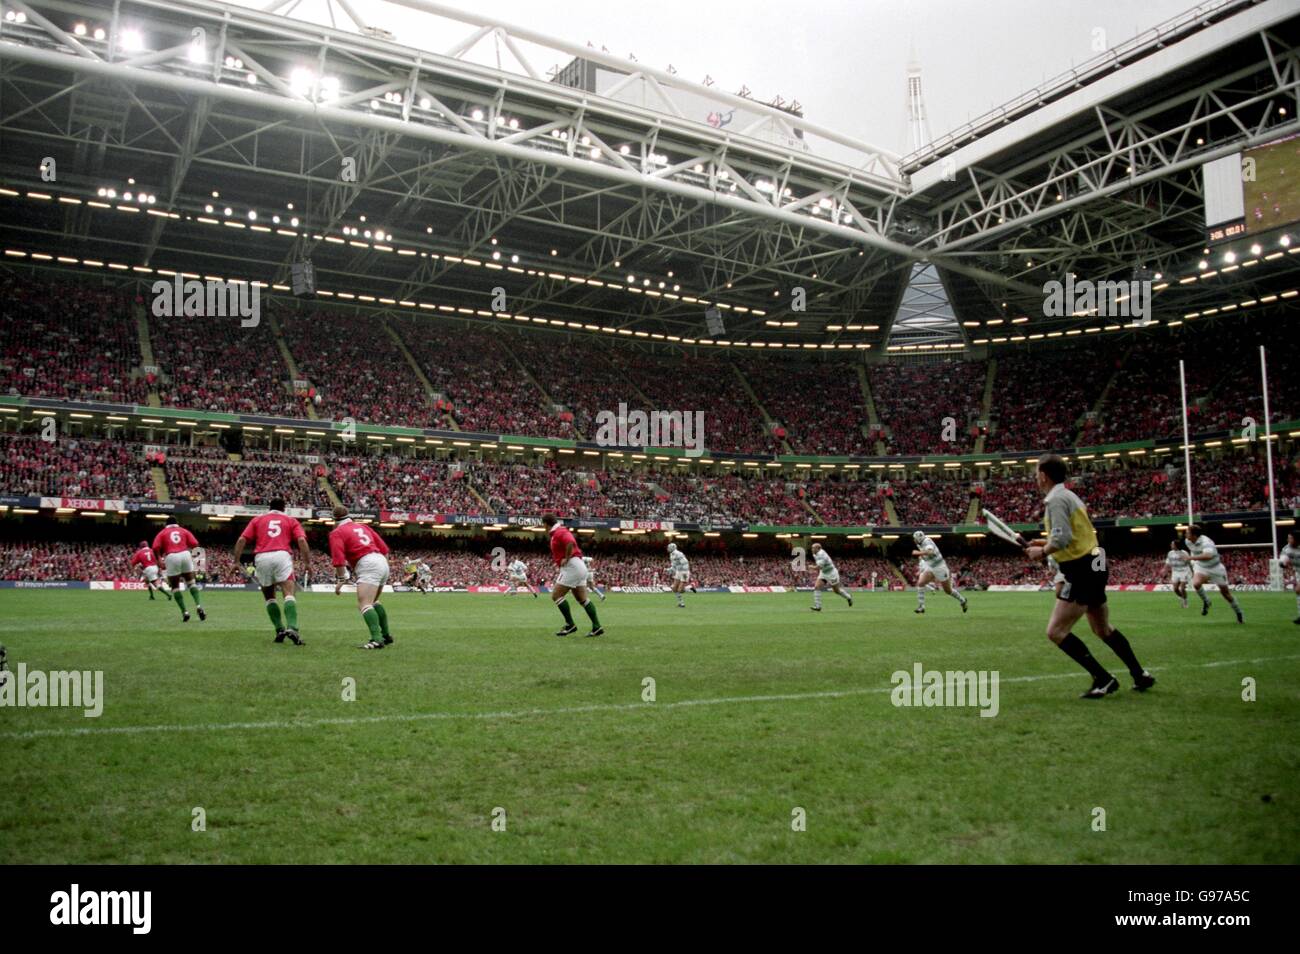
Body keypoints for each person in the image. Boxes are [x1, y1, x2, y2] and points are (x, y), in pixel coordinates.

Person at [1023, 454, 1154, 698]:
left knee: (1056, 632)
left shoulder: (1055, 500)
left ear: (1043, 475)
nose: (1035, 477)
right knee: (1102, 628)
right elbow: (1073, 534)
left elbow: (1062, 539)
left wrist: (1041, 551)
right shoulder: (1070, 495)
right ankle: (1140, 674)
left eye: (1036, 472)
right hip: (1095, 561)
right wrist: (1044, 541)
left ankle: (1103, 678)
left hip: (1080, 568)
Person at [233, 497, 310, 645]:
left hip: (262, 556)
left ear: (269, 507)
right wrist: (307, 563)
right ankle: (292, 627)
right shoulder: (290, 520)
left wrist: (236, 561)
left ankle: (279, 629)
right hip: (282, 555)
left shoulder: (257, 520)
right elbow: (301, 540)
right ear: (284, 508)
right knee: (289, 592)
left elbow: (242, 540)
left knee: (269, 596)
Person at [329, 505, 393, 650]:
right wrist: (383, 567)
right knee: (374, 601)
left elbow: (338, 559)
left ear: (334, 519)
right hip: (381, 560)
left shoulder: (337, 532)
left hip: (367, 563)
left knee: (364, 604)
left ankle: (377, 639)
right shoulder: (363, 527)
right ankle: (386, 635)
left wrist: (341, 580)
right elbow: (385, 549)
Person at [543, 513, 603, 637]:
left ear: (546, 524)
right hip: (578, 566)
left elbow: (570, 542)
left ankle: (570, 625)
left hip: (572, 566)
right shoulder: (557, 532)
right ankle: (597, 627)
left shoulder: (560, 531)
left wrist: (566, 557)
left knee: (556, 595)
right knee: (582, 599)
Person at [151, 518, 206, 623]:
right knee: (191, 583)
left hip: (171, 556)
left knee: (175, 587)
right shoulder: (183, 531)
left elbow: (155, 547)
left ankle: (185, 612)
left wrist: (159, 559)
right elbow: (195, 544)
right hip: (185, 554)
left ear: (166, 524)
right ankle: (199, 606)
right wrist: (197, 561)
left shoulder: (162, 533)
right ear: (177, 524)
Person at [1185, 524, 1244, 623]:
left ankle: (1239, 612)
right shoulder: (1188, 541)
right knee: (1196, 583)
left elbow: (1208, 555)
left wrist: (1191, 558)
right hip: (1201, 567)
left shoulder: (1206, 542)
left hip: (1216, 568)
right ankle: (1207, 601)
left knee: (1225, 593)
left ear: (1194, 535)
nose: (1185, 534)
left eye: (1187, 532)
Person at [911, 531, 968, 614]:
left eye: (915, 538)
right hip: (931, 566)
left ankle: (962, 600)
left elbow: (930, 552)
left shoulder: (927, 541)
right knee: (920, 583)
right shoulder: (920, 543)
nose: (914, 540)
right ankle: (921, 607)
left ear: (919, 538)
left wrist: (918, 553)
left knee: (948, 591)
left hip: (940, 567)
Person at [809, 542, 852, 611]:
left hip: (831, 573)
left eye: (813, 548)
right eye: (812, 548)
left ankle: (848, 597)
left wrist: (811, 567)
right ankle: (818, 606)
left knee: (836, 590)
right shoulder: (815, 554)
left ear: (818, 548)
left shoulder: (822, 555)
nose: (812, 549)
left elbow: (819, 567)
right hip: (823, 572)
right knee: (817, 587)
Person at [1278, 531, 1300, 624]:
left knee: (1298, 590)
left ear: (1296, 539)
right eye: (1288, 538)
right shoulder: (1286, 549)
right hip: (1298, 572)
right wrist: (1283, 563)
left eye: (1290, 538)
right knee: (1298, 591)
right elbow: (1282, 561)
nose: (1288, 540)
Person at [1166, 538, 1191, 609]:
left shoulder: (1184, 553)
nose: (1171, 545)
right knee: (1175, 589)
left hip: (1184, 571)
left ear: (1176, 545)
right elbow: (1167, 562)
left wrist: (1192, 572)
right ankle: (1182, 598)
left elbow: (1189, 563)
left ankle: (1185, 601)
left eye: (1172, 544)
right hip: (1175, 571)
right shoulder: (1170, 553)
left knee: (1182, 588)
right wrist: (1164, 569)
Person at [667, 542, 691, 608]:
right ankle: (681, 603)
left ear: (673, 548)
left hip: (684, 572)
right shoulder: (671, 555)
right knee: (674, 588)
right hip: (678, 572)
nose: (668, 549)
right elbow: (674, 565)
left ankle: (690, 587)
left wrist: (684, 573)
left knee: (680, 590)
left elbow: (685, 563)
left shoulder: (678, 554)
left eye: (669, 547)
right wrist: (670, 569)